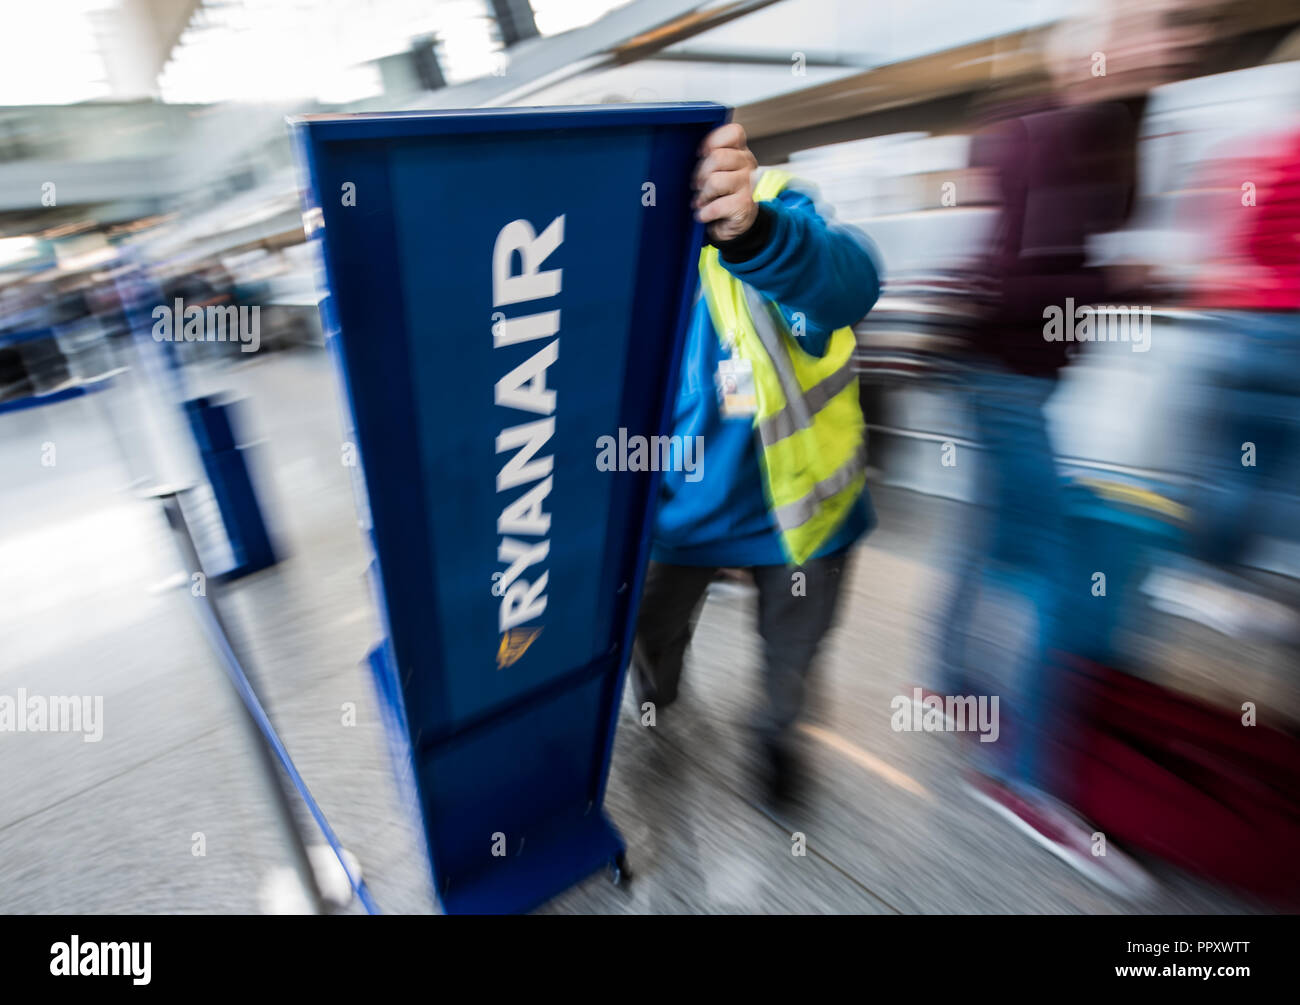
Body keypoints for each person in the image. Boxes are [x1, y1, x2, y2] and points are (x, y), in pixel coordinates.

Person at [630, 122, 881, 803]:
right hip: (674, 517)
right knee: (650, 633)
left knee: (791, 650)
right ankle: (656, 701)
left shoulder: (771, 203)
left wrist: (751, 231)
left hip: (801, 514)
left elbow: (850, 282)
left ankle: (776, 734)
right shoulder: (605, 255)